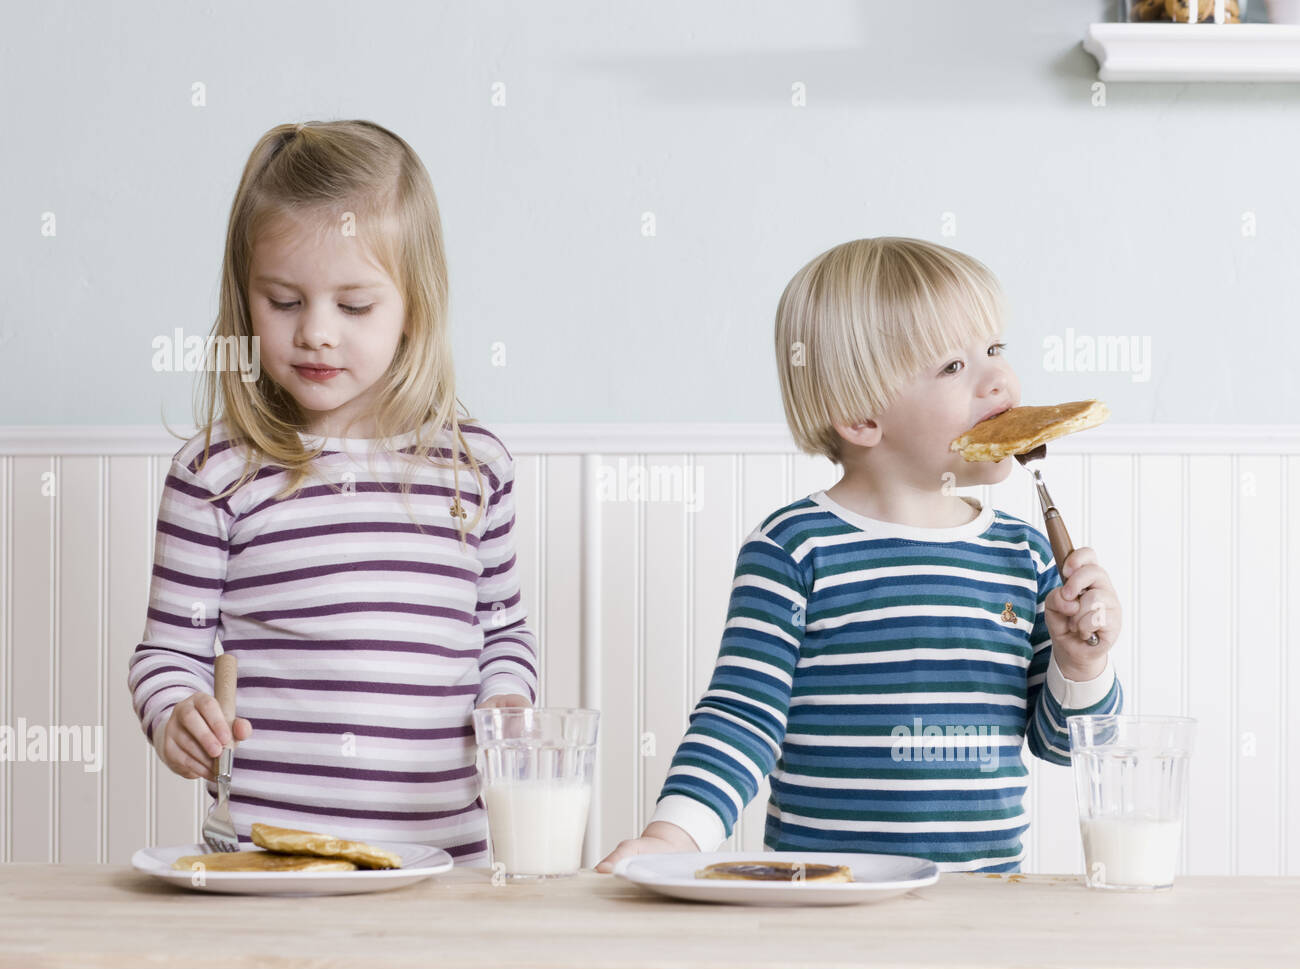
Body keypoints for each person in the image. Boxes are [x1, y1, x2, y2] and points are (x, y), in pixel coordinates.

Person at [596, 236, 1123, 874]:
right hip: (823, 903)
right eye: (953, 367)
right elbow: (741, 716)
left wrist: (1082, 663)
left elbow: (1063, 746)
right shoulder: (794, 549)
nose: (998, 380)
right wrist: (674, 838)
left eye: (993, 349)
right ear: (860, 417)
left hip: (980, 911)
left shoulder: (1023, 552)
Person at [128, 120, 537, 865]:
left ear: (415, 306)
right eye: (284, 301)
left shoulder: (476, 470)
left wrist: (506, 701)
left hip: (445, 862)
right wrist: (175, 712)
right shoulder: (218, 473)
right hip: (266, 863)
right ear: (244, 298)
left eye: (354, 307)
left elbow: (503, 634)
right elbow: (166, 654)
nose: (316, 332)